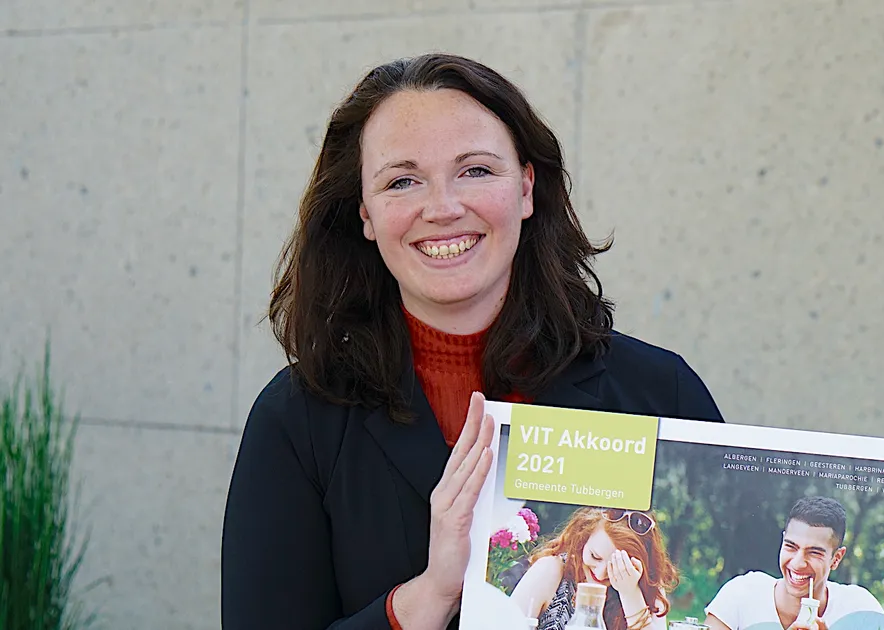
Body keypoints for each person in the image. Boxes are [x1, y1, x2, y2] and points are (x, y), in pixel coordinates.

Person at [220, 53, 724, 630]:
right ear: (365, 213)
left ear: (527, 188)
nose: (443, 208)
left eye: (476, 171)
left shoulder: (660, 393)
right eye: (402, 181)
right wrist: (427, 598)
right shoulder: (297, 420)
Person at [703, 497, 884, 630]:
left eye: (814, 552)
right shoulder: (741, 594)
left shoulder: (860, 610)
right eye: (791, 546)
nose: (798, 563)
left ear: (836, 558)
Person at [510, 508, 679, 630]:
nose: (600, 573)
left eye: (616, 566)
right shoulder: (552, 570)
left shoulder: (648, 588)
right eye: (595, 557)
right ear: (583, 537)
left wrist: (630, 594)